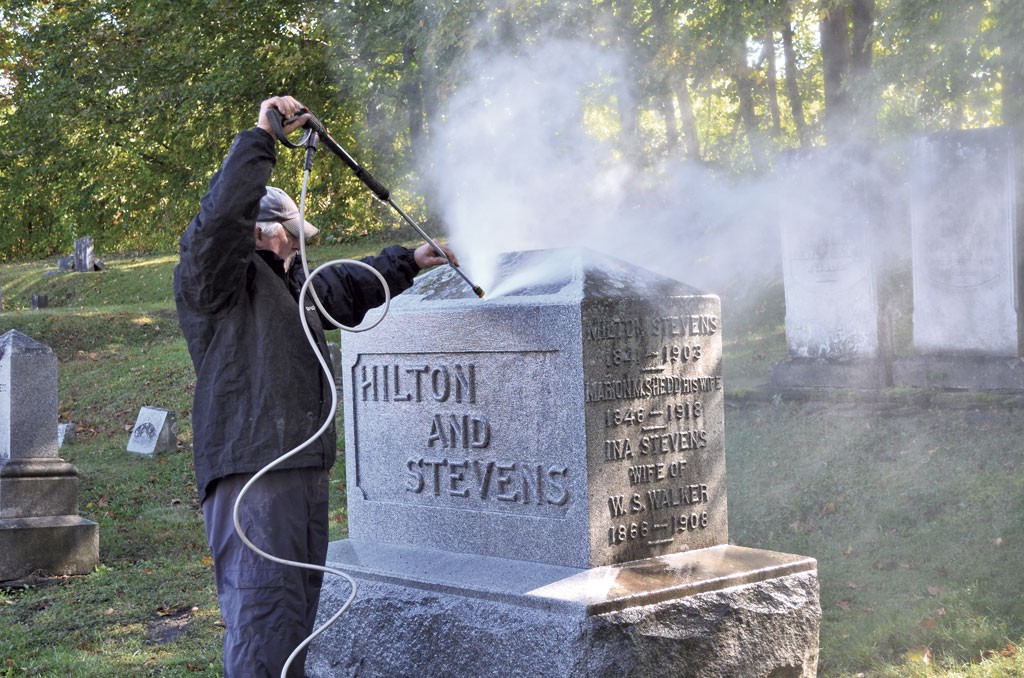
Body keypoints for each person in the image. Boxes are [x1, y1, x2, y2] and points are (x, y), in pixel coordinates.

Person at [173, 95, 457, 677]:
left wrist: (410, 260)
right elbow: (219, 220)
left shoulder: (291, 280)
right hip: (256, 471)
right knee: (265, 623)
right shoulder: (216, 279)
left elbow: (345, 288)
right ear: (262, 232)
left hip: (301, 470)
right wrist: (260, 138)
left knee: (295, 625)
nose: (301, 243)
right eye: (291, 234)